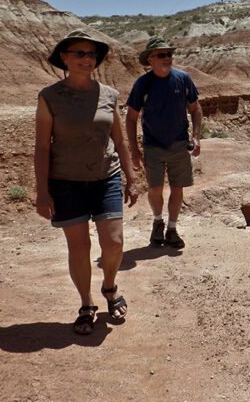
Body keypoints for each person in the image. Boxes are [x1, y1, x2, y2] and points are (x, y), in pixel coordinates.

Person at [34, 30, 138, 335]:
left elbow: (119, 141)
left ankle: (109, 287)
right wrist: (42, 191)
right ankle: (86, 303)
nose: (87, 59)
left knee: (114, 243)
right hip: (66, 182)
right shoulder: (49, 97)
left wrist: (131, 178)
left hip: (105, 177)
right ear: (64, 58)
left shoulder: (109, 95)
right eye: (79, 53)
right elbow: (42, 147)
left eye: (91, 54)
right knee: (79, 248)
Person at [125, 38, 202, 249]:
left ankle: (172, 228)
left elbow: (195, 109)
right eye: (161, 55)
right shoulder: (143, 84)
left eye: (169, 54)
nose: (167, 58)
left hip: (179, 144)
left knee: (178, 189)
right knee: (155, 188)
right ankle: (158, 222)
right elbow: (131, 118)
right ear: (150, 59)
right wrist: (134, 151)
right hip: (153, 146)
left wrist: (195, 137)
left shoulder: (183, 79)